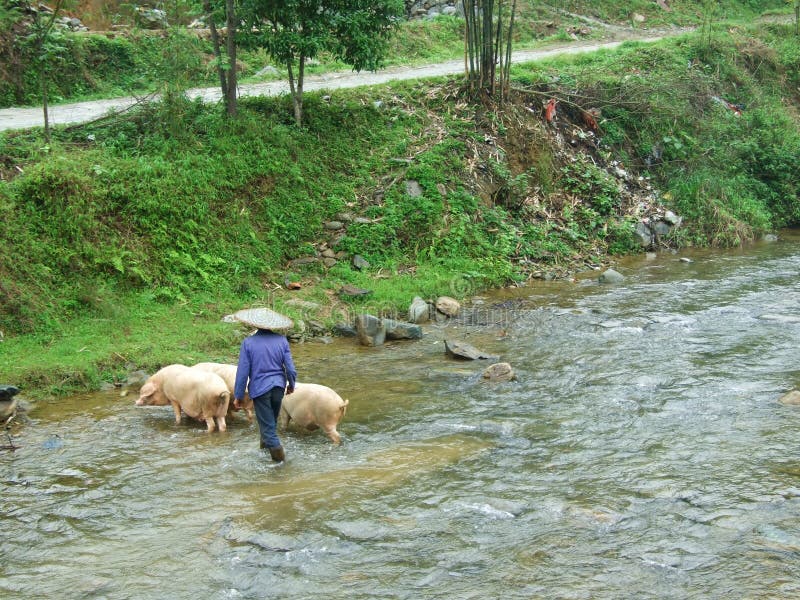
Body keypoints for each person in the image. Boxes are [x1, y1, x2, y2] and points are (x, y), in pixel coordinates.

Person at [233, 308, 297, 463]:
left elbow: (243, 372)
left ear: (254, 324)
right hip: (278, 387)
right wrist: (291, 384)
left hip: (260, 388)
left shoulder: (248, 343)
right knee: (270, 423)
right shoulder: (282, 340)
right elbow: (290, 368)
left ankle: (280, 464)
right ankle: (264, 452)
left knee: (268, 428)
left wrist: (238, 395)